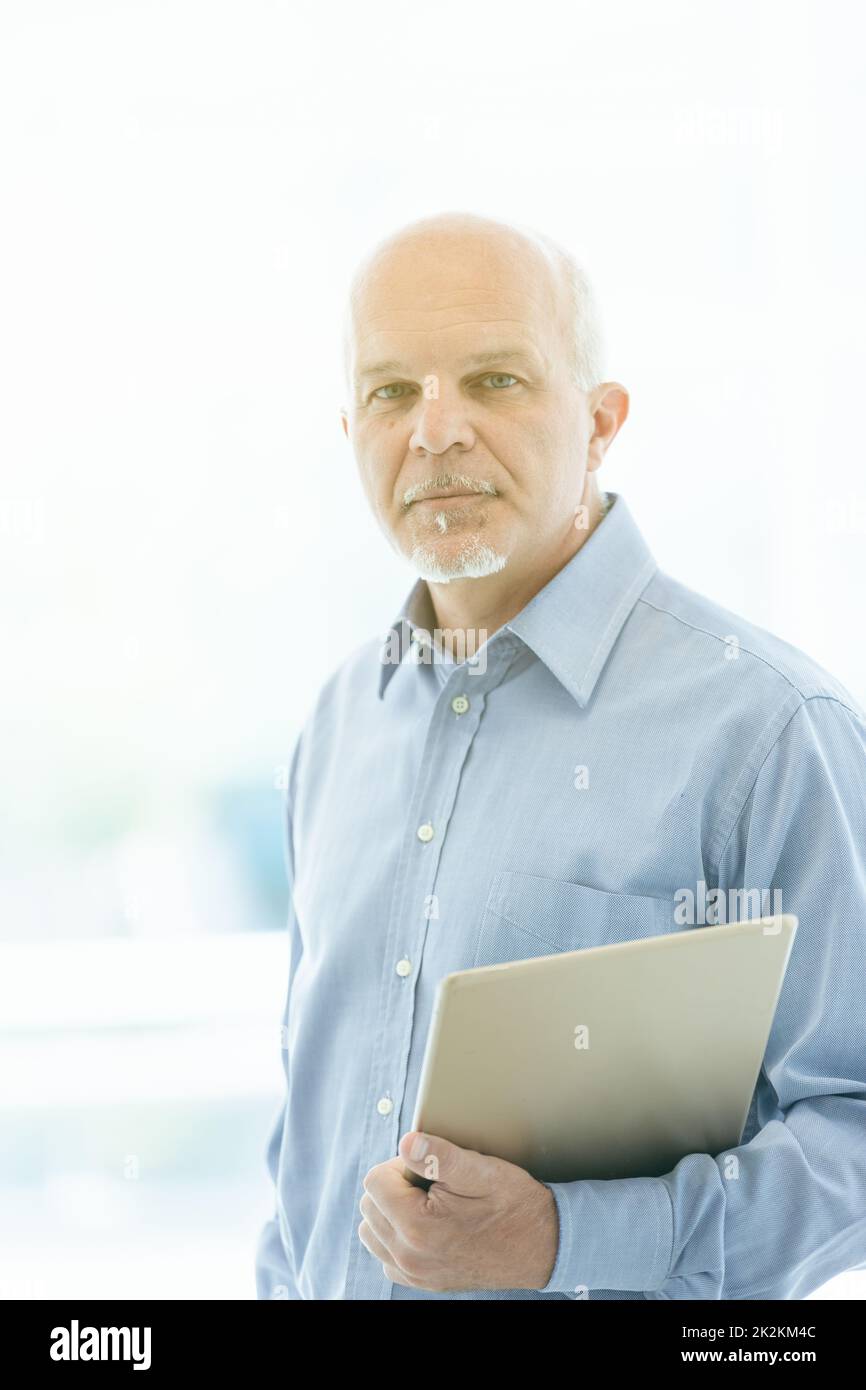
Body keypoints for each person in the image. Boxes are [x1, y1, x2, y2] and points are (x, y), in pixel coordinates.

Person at [255, 212, 866, 1300]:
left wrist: (570, 1239)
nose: (434, 432)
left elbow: (854, 1129)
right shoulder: (339, 725)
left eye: (492, 379)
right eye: (393, 392)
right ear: (349, 424)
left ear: (598, 420)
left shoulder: (766, 730)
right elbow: (303, 1162)